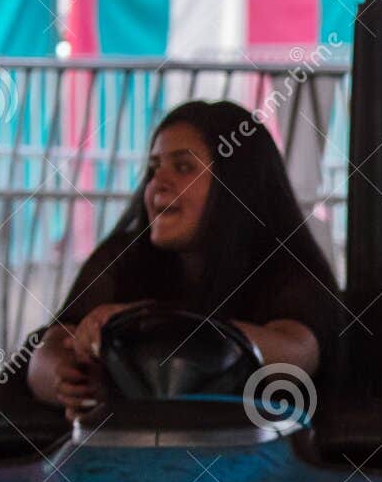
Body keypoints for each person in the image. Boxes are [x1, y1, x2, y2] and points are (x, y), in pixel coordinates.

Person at [27, 100, 343, 420]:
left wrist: (149, 324)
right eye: (154, 169)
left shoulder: (286, 268)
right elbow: (47, 350)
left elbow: (296, 353)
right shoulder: (124, 257)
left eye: (183, 167)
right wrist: (67, 379)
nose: (157, 184)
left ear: (234, 184)